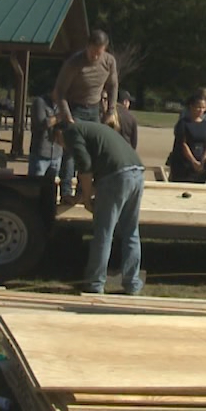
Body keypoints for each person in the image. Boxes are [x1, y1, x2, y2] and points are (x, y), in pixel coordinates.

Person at [52, 117, 145, 295]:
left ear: (59, 132)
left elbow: (86, 168)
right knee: (130, 231)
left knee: (104, 232)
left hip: (116, 177)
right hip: (137, 173)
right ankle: (132, 284)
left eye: (58, 141)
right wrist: (80, 198)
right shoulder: (92, 130)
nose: (62, 147)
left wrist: (87, 200)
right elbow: (101, 173)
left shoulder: (72, 132)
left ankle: (95, 284)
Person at [53, 30, 118, 199]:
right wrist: (67, 116)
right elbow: (60, 92)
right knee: (71, 150)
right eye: (93, 52)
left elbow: (112, 87)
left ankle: (84, 191)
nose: (95, 56)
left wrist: (110, 111)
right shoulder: (74, 63)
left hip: (94, 108)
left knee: (91, 151)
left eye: (99, 52)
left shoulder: (109, 62)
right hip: (75, 107)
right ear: (87, 46)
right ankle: (66, 191)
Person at [168, 93, 206, 183]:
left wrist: (202, 162)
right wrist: (193, 162)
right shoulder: (183, 123)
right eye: (198, 107)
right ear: (191, 106)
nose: (201, 110)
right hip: (184, 165)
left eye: (203, 107)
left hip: (201, 167)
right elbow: (183, 144)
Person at [28, 93, 62, 179]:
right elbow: (42, 124)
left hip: (57, 155)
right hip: (40, 154)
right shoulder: (39, 102)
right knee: (35, 187)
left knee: (51, 188)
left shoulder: (61, 105)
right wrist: (60, 116)